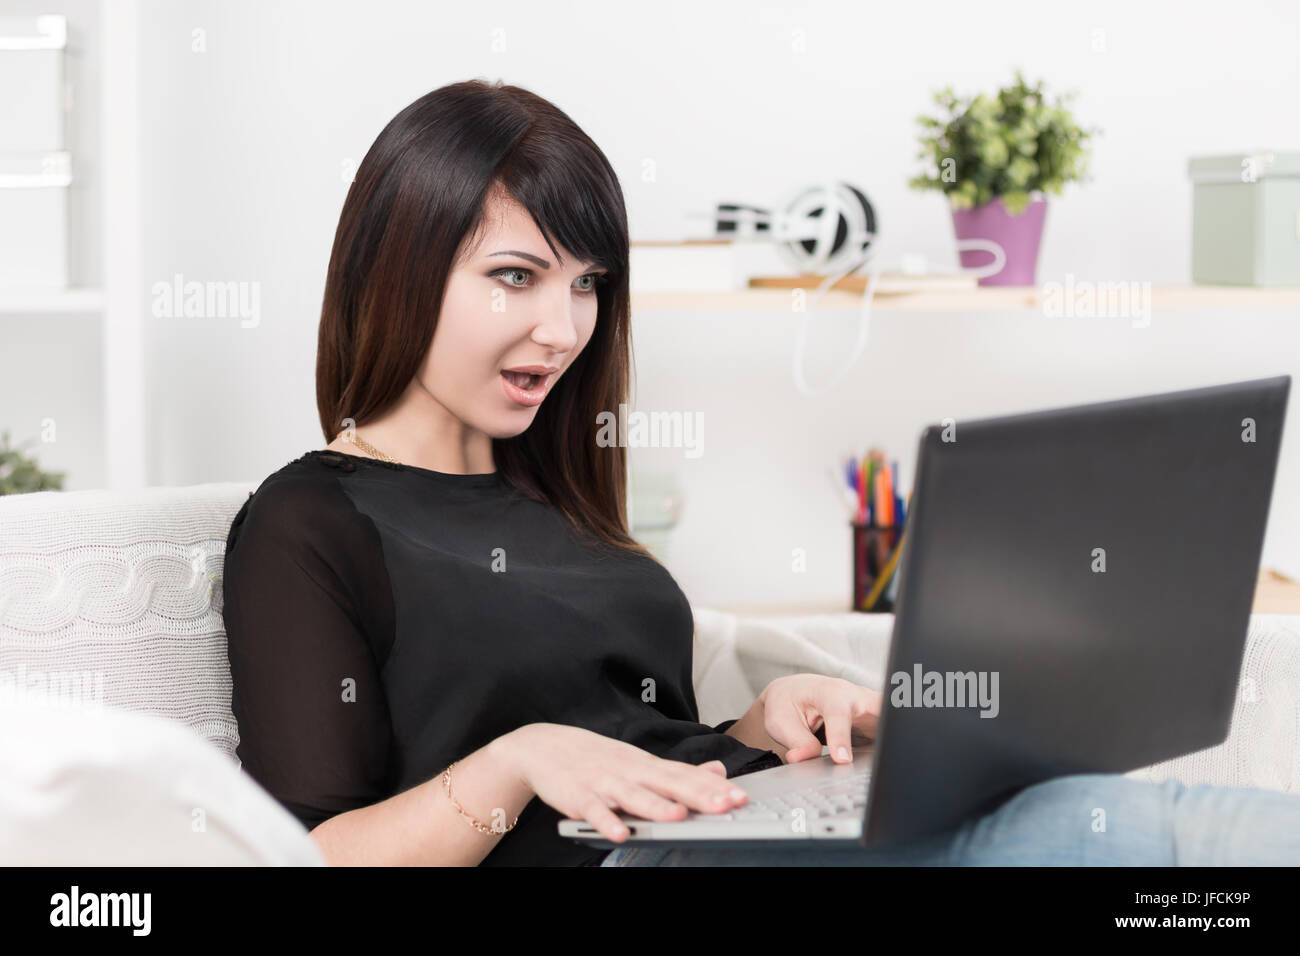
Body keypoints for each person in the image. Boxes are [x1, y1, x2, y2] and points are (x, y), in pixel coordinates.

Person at [222, 79, 1300, 867]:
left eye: (587, 284)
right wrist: (514, 762)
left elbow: (647, 745)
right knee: (1088, 848)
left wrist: (757, 725)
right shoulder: (307, 523)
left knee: (1144, 826)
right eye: (515, 276)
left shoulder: (556, 496)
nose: (562, 328)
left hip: (728, 831)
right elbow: (317, 855)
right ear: (395, 268)